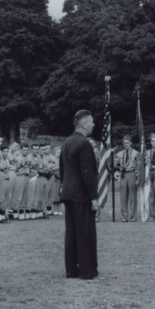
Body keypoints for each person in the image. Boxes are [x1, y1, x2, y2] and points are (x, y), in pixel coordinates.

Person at [59, 109, 99, 280]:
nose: (93, 124)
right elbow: (87, 173)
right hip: (81, 195)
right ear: (84, 123)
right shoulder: (84, 144)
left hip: (68, 193)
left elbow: (62, 170)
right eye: (91, 122)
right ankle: (86, 270)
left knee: (71, 233)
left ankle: (71, 269)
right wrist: (94, 196)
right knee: (85, 232)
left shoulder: (66, 142)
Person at [111, 135, 142, 222]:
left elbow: (139, 167)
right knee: (123, 196)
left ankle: (132, 217)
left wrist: (138, 178)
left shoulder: (136, 153)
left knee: (132, 197)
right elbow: (115, 165)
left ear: (131, 143)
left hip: (132, 173)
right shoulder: (120, 153)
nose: (126, 144)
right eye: (124, 143)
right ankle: (124, 217)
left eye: (128, 143)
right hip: (123, 175)